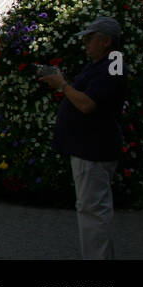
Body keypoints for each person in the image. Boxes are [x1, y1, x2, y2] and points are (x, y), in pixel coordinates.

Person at [38, 16, 128, 259]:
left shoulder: (111, 65)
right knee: (91, 209)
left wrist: (62, 85)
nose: (86, 43)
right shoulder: (106, 63)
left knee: (93, 210)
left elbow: (88, 104)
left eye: (91, 38)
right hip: (90, 146)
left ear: (106, 41)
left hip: (93, 148)